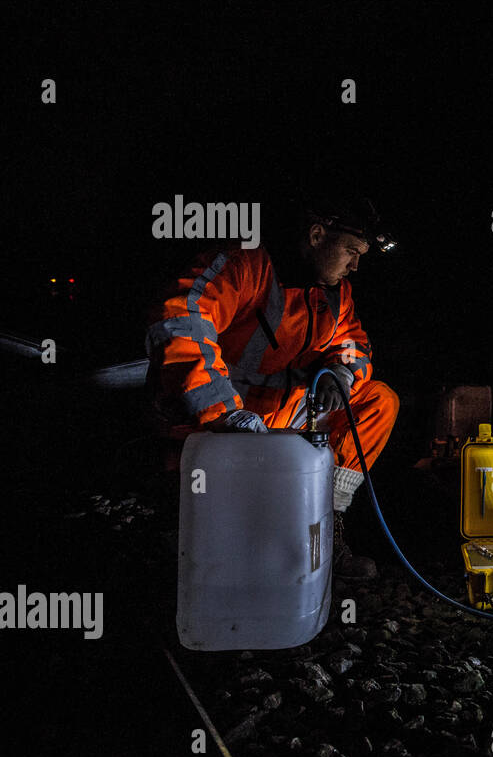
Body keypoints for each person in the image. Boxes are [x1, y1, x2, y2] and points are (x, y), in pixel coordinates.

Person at [145, 196, 400, 578]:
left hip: (286, 413)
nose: (355, 265)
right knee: (205, 524)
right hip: (221, 416)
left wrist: (341, 372)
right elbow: (182, 317)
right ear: (316, 236)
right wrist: (223, 414)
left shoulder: (335, 292)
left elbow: (354, 344)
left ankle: (324, 521)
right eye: (350, 251)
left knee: (379, 400)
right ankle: (185, 537)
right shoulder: (244, 263)